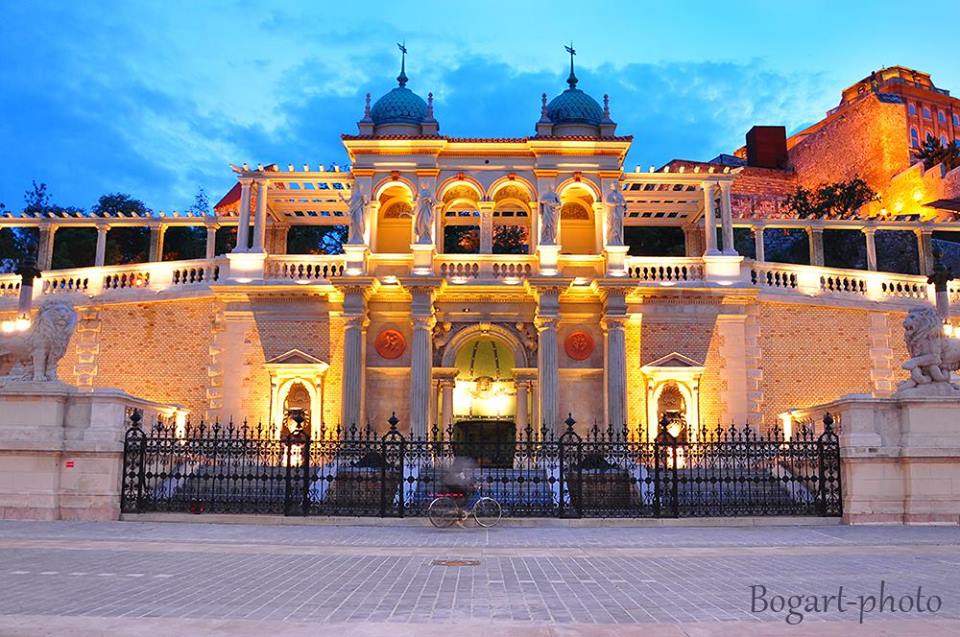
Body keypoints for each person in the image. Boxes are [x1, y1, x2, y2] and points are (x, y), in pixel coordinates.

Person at [442, 455, 478, 522]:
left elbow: (463, 481)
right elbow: (463, 481)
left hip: (451, 487)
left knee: (466, 491)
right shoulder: (459, 471)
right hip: (455, 487)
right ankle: (464, 510)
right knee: (468, 492)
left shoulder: (454, 470)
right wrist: (472, 485)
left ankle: (461, 509)